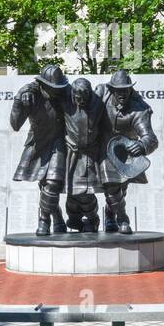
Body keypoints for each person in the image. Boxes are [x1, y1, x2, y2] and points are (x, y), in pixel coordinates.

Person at [95, 69, 158, 235]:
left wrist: (142, 145)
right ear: (112, 89)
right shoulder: (101, 94)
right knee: (112, 187)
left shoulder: (139, 109)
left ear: (131, 89)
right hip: (102, 151)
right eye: (118, 90)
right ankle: (123, 219)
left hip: (125, 157)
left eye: (125, 89)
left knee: (121, 191)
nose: (122, 93)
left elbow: (150, 138)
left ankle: (110, 215)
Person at [9, 64, 70, 236]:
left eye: (59, 88)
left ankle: (44, 221)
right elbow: (15, 124)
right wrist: (19, 99)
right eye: (53, 88)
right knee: (45, 184)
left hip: (59, 141)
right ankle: (57, 216)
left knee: (53, 183)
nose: (57, 92)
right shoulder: (31, 94)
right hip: (38, 142)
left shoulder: (65, 92)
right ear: (43, 84)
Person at [63, 77, 107, 233]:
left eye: (84, 97)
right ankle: (74, 218)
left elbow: (112, 89)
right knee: (72, 192)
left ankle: (92, 219)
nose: (80, 101)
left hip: (89, 153)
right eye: (77, 97)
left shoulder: (98, 101)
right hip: (71, 153)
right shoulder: (65, 99)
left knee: (84, 191)